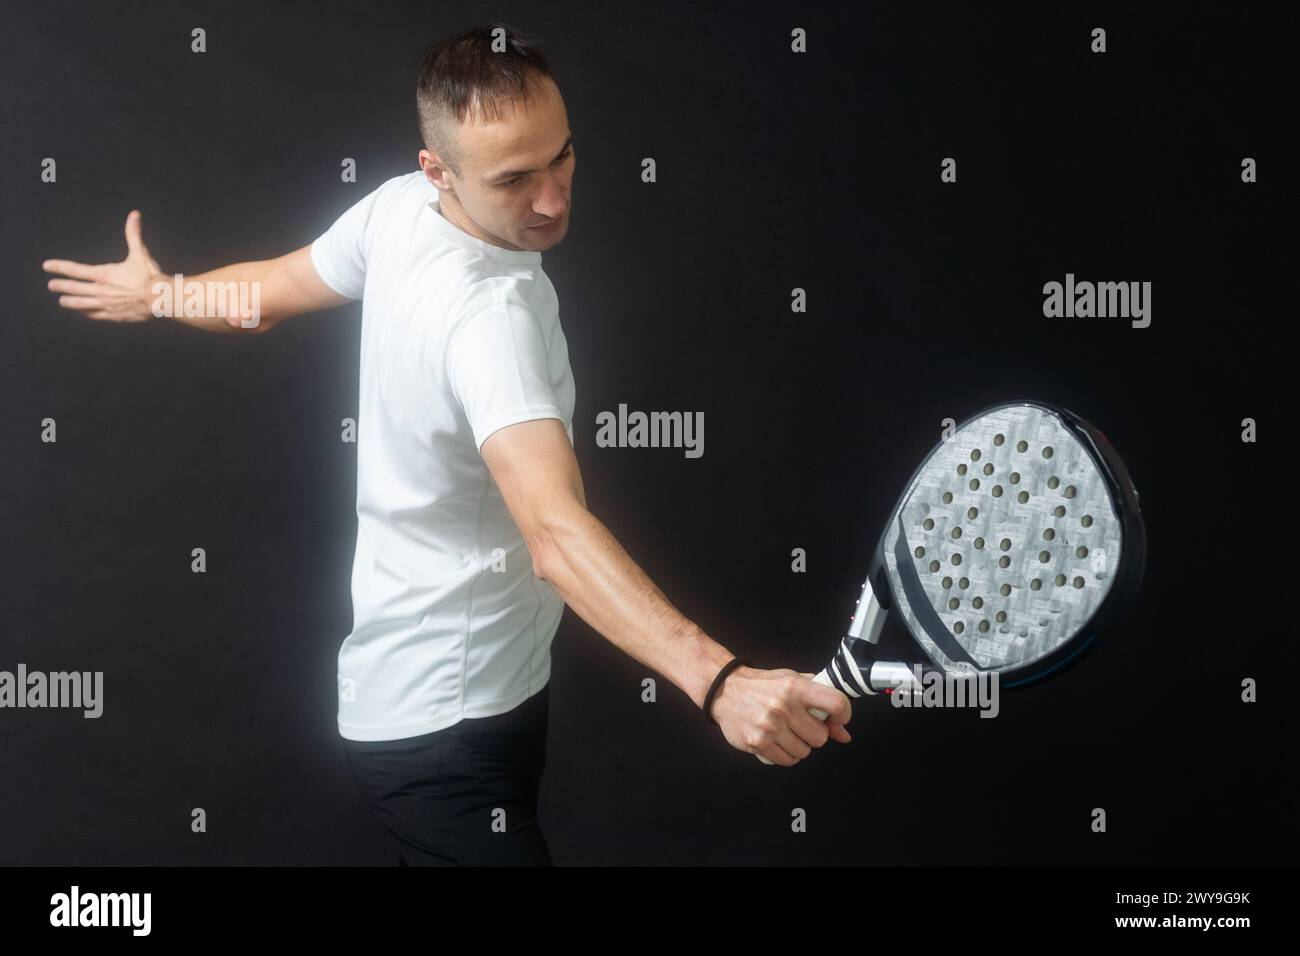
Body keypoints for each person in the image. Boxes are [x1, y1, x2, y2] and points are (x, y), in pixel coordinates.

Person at [41, 22, 852, 866]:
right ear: (439, 170)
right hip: (442, 729)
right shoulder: (490, 319)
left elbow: (266, 295)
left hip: (483, 696)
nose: (551, 200)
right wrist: (720, 682)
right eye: (513, 180)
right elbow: (554, 534)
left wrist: (162, 296)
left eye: (561, 158)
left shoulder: (398, 209)